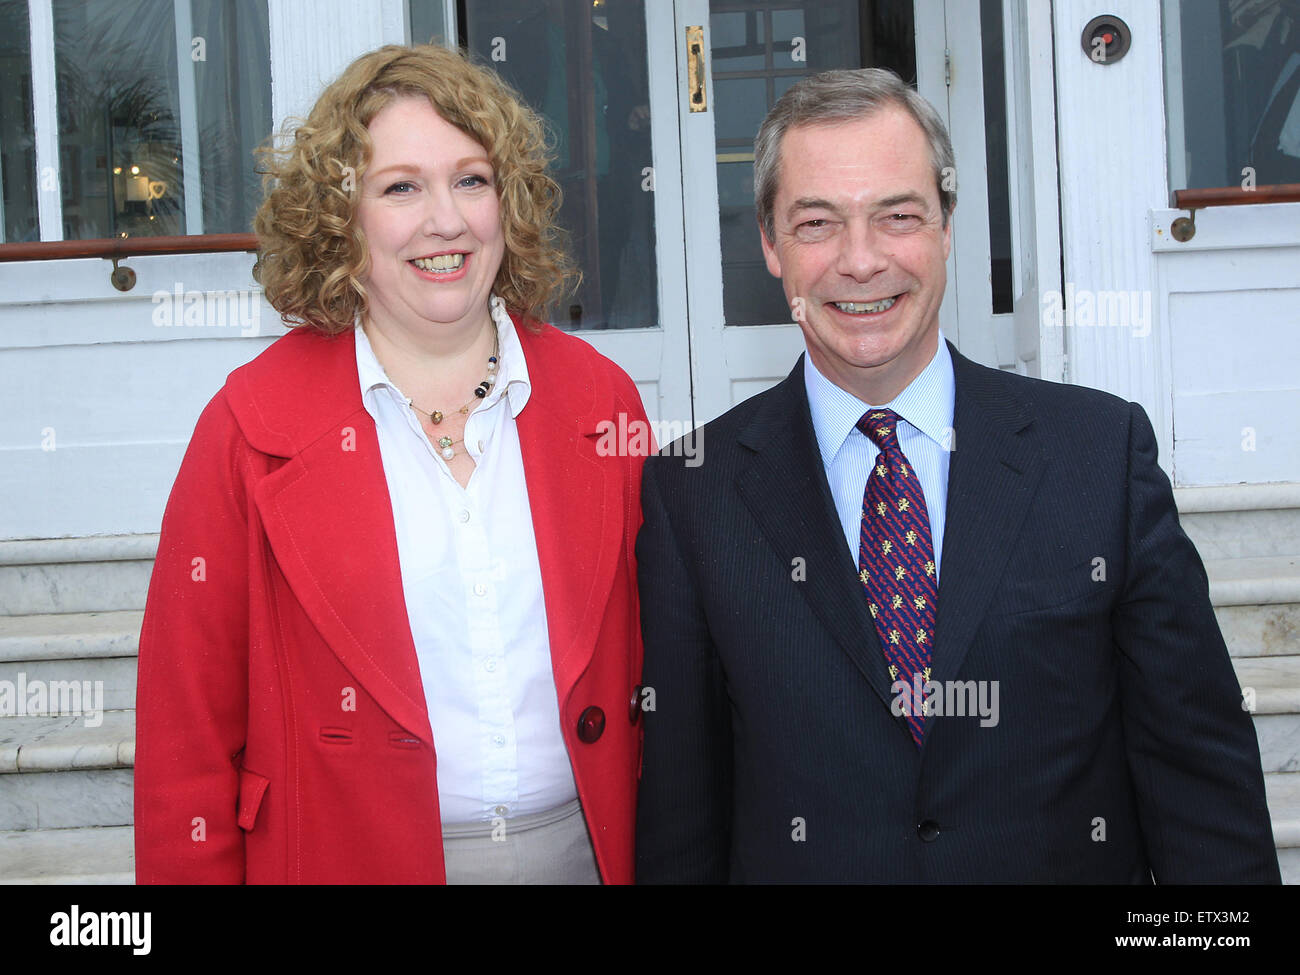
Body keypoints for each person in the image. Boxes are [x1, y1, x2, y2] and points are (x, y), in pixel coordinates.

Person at [634, 68, 1280, 883]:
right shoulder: (694, 490)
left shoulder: (1097, 455)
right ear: (770, 244)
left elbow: (1198, 776)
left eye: (897, 216)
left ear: (945, 225)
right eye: (817, 223)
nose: (860, 261)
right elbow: (683, 822)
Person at [134, 44, 649, 884]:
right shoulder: (247, 427)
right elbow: (184, 738)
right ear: (343, 217)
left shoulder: (603, 404)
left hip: (586, 855)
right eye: (401, 186)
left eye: (472, 180)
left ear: (507, 204)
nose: (445, 220)